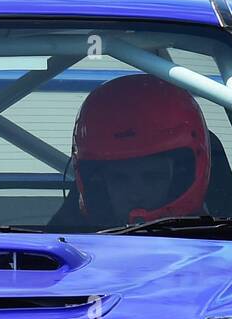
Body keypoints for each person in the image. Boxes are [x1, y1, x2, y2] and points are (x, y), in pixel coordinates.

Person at [59, 73, 213, 228]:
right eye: (119, 179)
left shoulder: (221, 243)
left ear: (180, 177)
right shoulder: (63, 241)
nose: (135, 194)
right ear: (100, 183)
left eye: (152, 177)